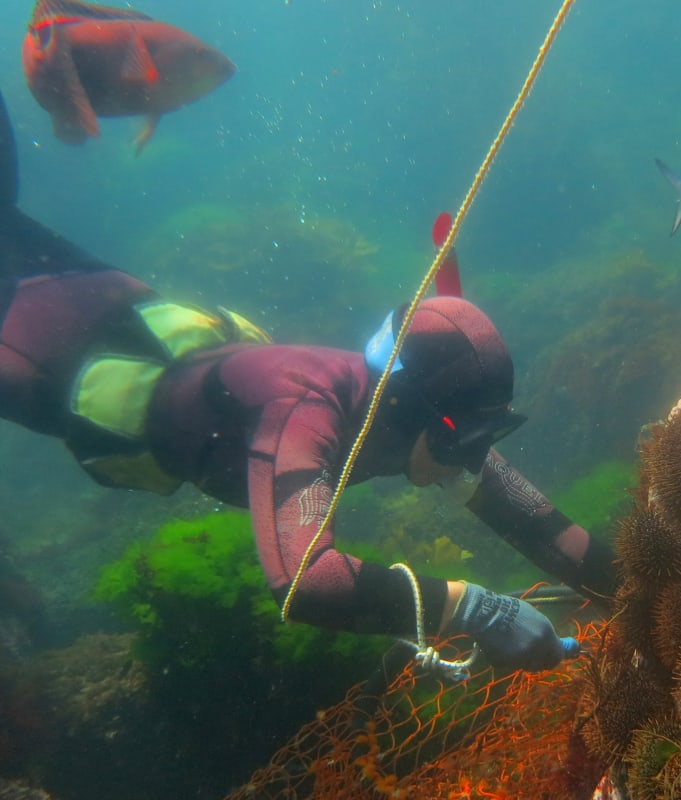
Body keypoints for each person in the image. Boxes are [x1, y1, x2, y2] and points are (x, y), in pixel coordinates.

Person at [0, 90, 616, 672]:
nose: (473, 457)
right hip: (39, 351)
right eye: (462, 439)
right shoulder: (307, 411)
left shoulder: (424, 417)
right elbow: (304, 582)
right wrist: (476, 608)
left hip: (104, 299)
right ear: (405, 405)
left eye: (486, 435)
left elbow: (545, 529)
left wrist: (642, 588)